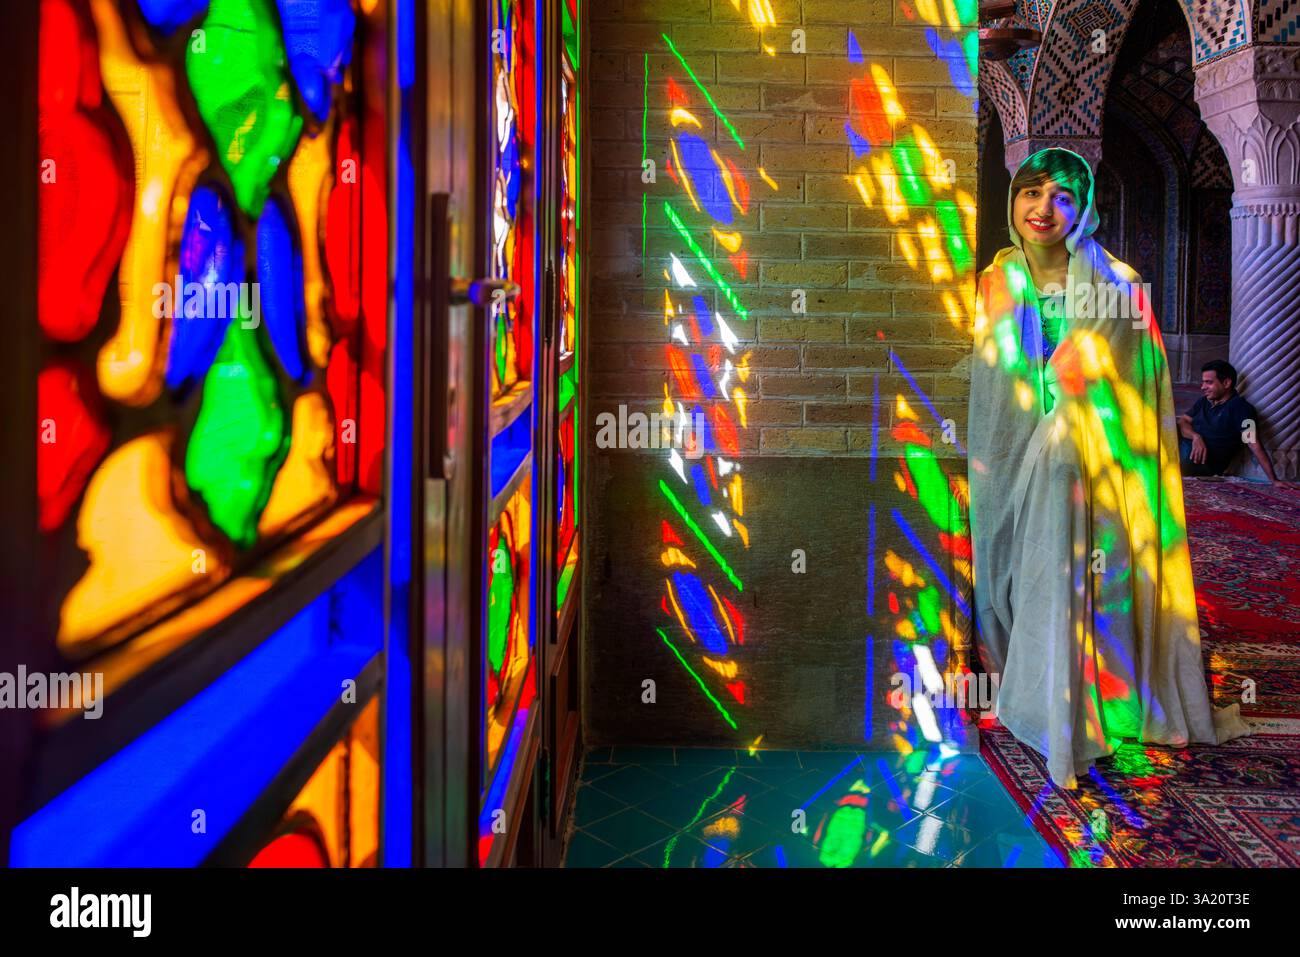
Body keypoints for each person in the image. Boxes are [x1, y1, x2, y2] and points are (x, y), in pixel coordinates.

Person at [968, 148, 1248, 789]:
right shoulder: (997, 278)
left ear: (1084, 207)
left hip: (1087, 467)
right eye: (1032, 192)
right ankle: (1027, 690)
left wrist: (1066, 422)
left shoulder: (1117, 281)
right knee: (1016, 572)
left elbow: (1137, 387)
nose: (1044, 209)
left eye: (1063, 196)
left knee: (1075, 579)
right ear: (1013, 202)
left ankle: (1077, 708)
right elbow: (992, 384)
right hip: (1015, 457)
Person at [1178, 359, 1287, 484]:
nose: (1203, 387)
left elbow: (1253, 443)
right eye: (1203, 382)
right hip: (1183, 446)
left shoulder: (1242, 408)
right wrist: (1196, 437)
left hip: (1199, 461)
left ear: (1226, 383)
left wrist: (1274, 480)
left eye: (1208, 382)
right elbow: (1183, 420)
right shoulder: (1204, 402)